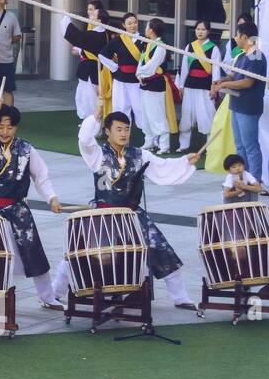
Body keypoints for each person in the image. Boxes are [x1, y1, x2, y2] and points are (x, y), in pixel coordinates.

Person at [54, 107, 200, 309]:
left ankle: (181, 297)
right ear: (107, 131)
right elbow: (85, 140)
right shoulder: (97, 154)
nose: (124, 134)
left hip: (131, 213)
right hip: (103, 214)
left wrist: (185, 162)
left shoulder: (140, 155)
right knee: (79, 252)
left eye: (127, 129)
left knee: (160, 248)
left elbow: (164, 166)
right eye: (119, 129)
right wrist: (95, 116)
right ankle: (54, 292)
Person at [0, 99, 64, 309]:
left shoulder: (26, 149)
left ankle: (47, 297)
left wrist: (52, 197)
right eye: (0, 126)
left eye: (9, 127)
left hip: (16, 209)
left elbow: (41, 176)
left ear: (16, 127)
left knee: (34, 253)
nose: (4, 131)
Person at [212, 21, 266, 185]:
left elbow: (248, 82)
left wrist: (224, 85)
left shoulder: (256, 55)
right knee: (240, 145)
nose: (235, 38)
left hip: (248, 106)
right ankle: (242, 177)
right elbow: (233, 75)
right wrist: (221, 80)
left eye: (237, 34)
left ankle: (255, 179)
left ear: (244, 36)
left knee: (250, 146)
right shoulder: (242, 55)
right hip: (237, 104)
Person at [175, 19, 222, 151]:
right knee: (186, 115)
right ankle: (183, 145)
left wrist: (214, 87)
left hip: (205, 86)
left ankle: (210, 147)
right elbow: (184, 68)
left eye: (203, 29)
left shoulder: (214, 48)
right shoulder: (190, 46)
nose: (200, 32)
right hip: (190, 85)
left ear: (208, 31)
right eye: (198, 29)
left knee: (207, 115)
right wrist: (181, 86)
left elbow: (216, 70)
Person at [69, 1, 113, 120]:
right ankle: (87, 122)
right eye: (89, 10)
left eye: (92, 11)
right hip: (86, 67)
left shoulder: (101, 32)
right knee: (81, 96)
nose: (90, 13)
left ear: (99, 18)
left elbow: (93, 46)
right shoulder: (91, 28)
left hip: (94, 68)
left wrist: (80, 50)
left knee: (91, 98)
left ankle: (94, 124)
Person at [136, 18, 173, 153]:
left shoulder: (161, 46)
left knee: (157, 114)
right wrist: (138, 73)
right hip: (145, 83)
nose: (145, 29)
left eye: (147, 27)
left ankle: (164, 145)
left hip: (156, 83)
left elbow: (152, 66)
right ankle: (149, 141)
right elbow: (141, 61)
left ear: (151, 30)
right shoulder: (147, 44)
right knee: (146, 114)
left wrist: (140, 72)